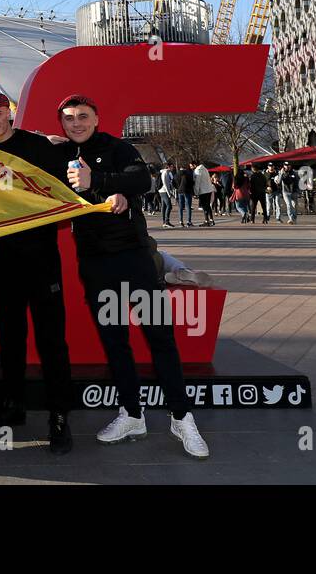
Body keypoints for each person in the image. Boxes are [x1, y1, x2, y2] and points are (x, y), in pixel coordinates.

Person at [55, 95, 208, 458]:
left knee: (159, 338)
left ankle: (181, 416)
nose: (76, 123)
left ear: (96, 118)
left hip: (135, 260)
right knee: (115, 341)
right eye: (68, 119)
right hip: (95, 265)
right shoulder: (60, 155)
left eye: (83, 117)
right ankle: (132, 413)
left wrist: (106, 183)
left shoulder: (118, 148)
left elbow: (142, 179)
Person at [0, 92, 74, 454]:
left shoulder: (41, 146)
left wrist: (66, 145)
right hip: (4, 258)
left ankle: (59, 416)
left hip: (42, 258)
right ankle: (13, 404)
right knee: (10, 337)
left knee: (52, 340)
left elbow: (69, 182)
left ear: (9, 114)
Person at [193, 162, 214, 227]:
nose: (191, 168)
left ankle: (206, 221)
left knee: (205, 206)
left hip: (203, 191)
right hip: (209, 189)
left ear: (194, 165)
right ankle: (211, 220)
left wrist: (196, 192)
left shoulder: (198, 170)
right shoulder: (205, 169)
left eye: (191, 166)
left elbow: (197, 182)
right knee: (208, 205)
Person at [176, 161, 195, 228]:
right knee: (188, 207)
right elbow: (192, 182)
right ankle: (188, 221)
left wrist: (178, 188)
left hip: (180, 191)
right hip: (187, 191)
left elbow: (174, 182)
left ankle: (181, 221)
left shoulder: (177, 174)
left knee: (180, 207)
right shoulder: (189, 173)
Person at [159, 162, 177, 228]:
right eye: (172, 166)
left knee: (164, 206)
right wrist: (169, 193)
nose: (173, 168)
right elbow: (165, 183)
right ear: (168, 167)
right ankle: (166, 221)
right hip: (164, 191)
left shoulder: (164, 172)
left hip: (162, 191)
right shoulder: (165, 172)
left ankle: (164, 222)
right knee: (169, 206)